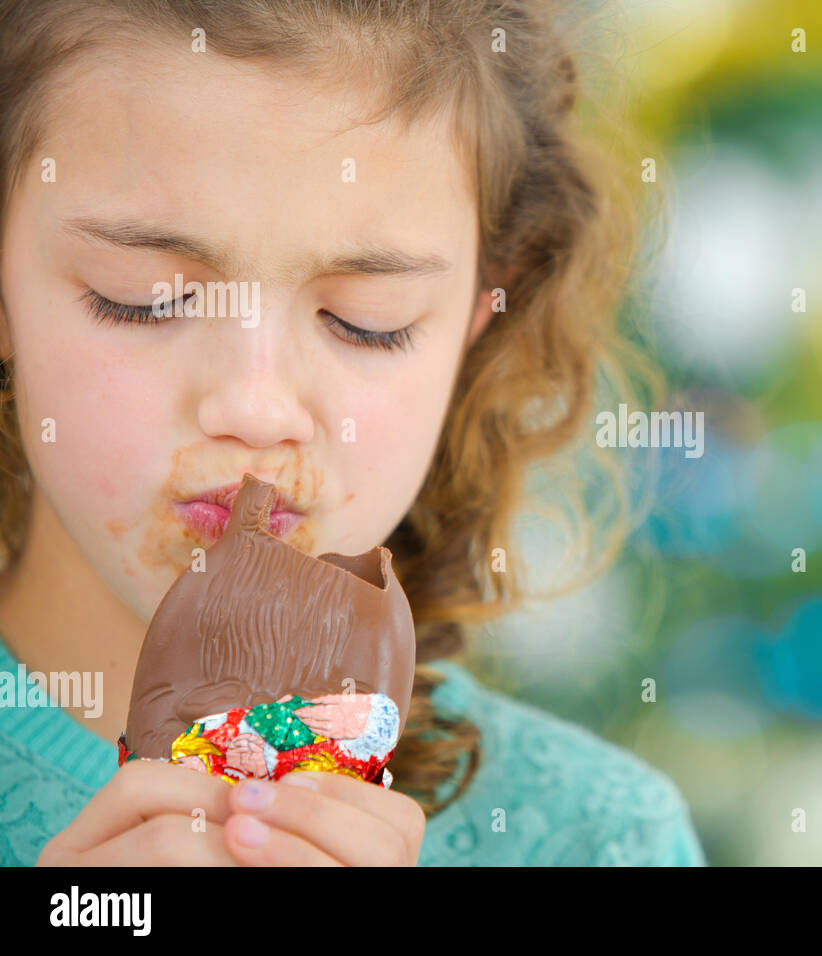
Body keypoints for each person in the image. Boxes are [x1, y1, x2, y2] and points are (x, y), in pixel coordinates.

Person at [0, 0, 704, 866]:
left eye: (366, 321)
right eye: (144, 296)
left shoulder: (598, 836)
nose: (256, 407)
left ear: (477, 318)